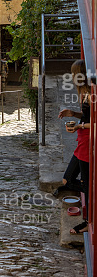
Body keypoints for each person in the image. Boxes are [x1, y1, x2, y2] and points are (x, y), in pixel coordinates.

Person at [58, 59, 91, 234]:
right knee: (67, 180)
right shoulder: (84, 92)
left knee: (86, 185)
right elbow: (87, 116)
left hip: (89, 143)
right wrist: (73, 114)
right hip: (82, 141)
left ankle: (88, 222)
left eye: (74, 73)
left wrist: (79, 126)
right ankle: (90, 190)